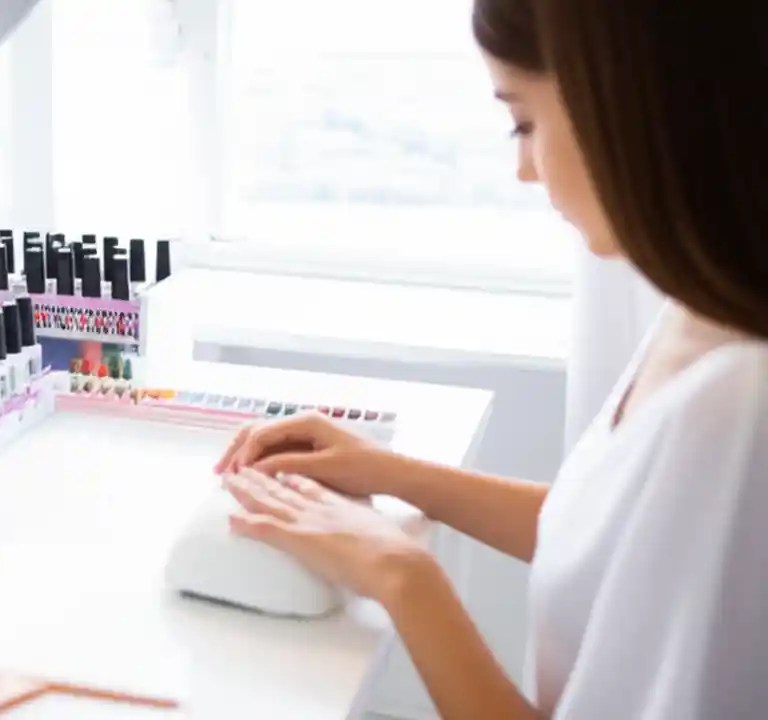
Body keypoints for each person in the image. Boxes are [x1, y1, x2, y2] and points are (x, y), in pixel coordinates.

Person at [214, 1, 768, 718]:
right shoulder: (698, 316)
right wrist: (392, 474)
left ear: (632, 105)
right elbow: (614, 535)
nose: (523, 170)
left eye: (525, 121)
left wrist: (400, 572)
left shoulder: (738, 404)